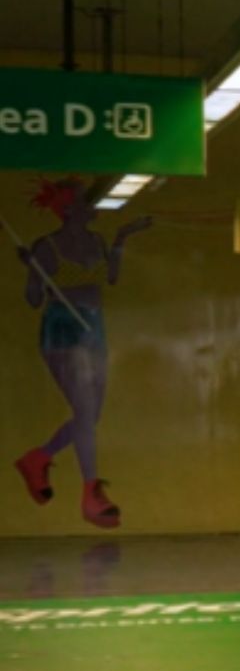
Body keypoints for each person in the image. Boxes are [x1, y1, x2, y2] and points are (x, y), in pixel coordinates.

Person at [13, 177, 150, 529]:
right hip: (64, 329)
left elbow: (111, 277)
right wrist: (33, 270)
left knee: (91, 415)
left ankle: (38, 459)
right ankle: (91, 494)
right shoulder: (47, 247)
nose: (91, 206)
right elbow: (33, 299)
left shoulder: (96, 242)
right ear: (68, 209)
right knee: (86, 412)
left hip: (93, 327)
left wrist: (122, 238)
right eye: (83, 201)